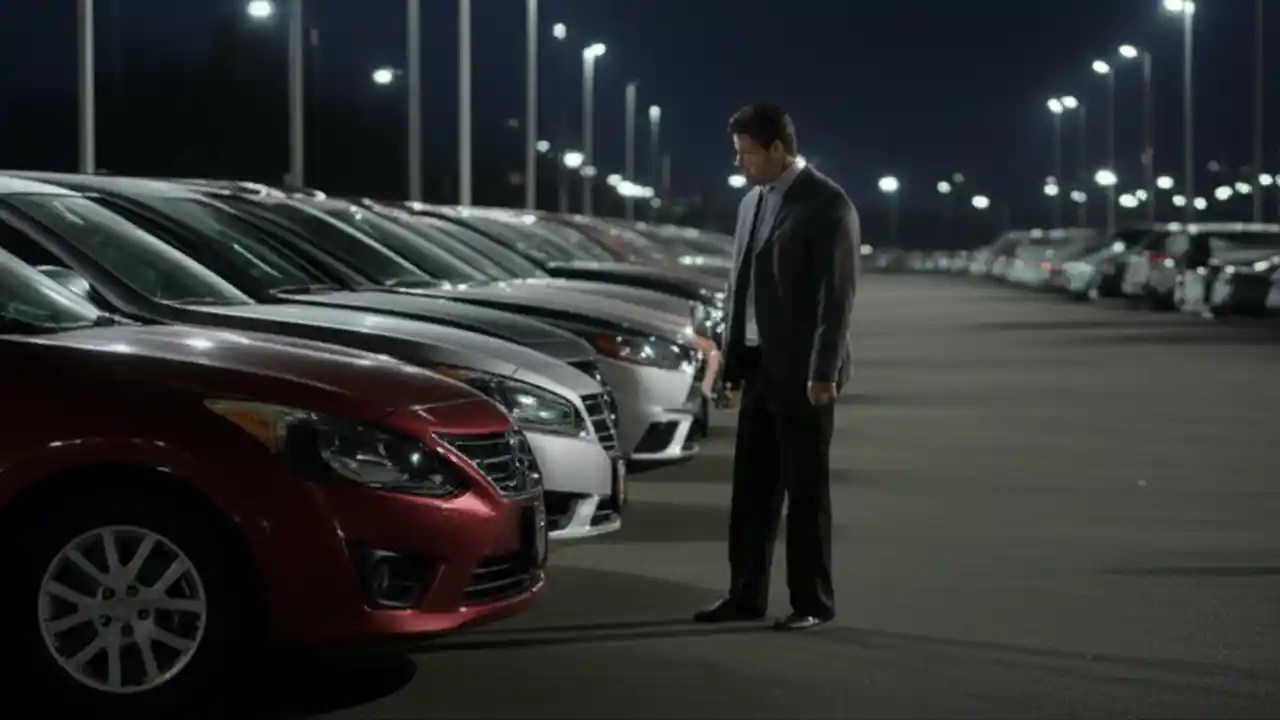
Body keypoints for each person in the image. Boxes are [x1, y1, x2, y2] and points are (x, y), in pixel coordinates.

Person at [695, 103, 860, 631]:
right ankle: (745, 595)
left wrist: (823, 372)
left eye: (746, 152)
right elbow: (738, 284)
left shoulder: (827, 203)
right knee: (752, 490)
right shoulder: (752, 202)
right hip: (758, 366)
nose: (738, 162)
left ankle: (812, 602)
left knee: (805, 493)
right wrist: (727, 362)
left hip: (803, 372)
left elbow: (836, 297)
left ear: (777, 149)